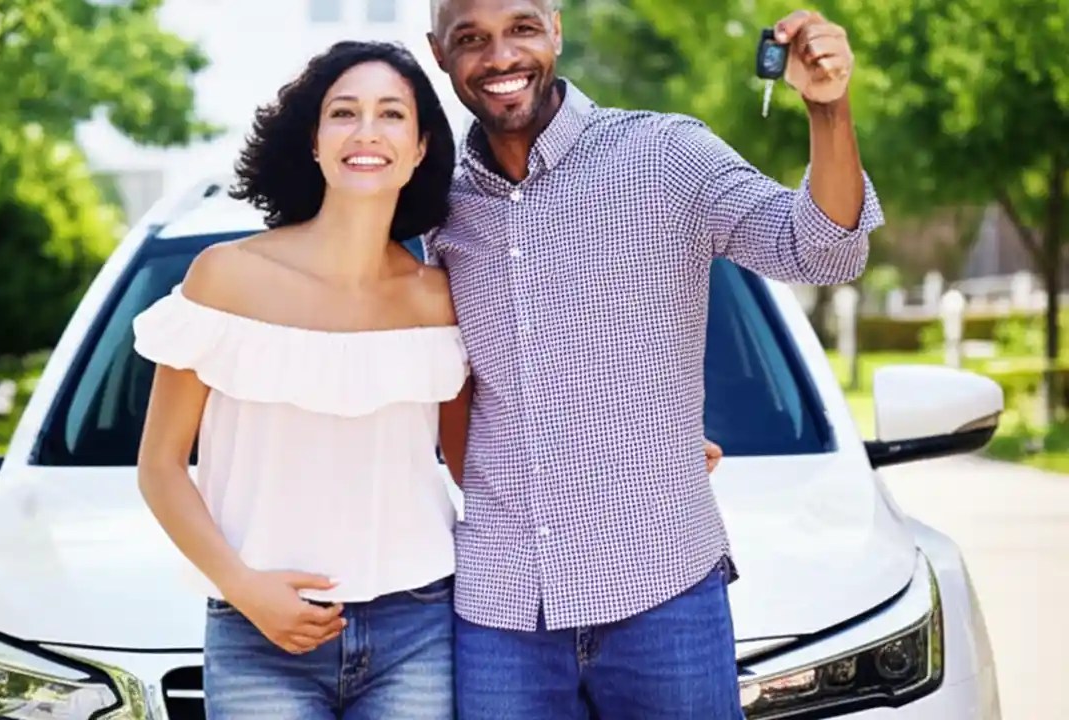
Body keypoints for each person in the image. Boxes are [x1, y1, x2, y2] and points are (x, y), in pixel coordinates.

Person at [425, 1, 884, 718]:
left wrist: (828, 110)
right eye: (471, 39)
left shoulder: (665, 156)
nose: (500, 57)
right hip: (502, 610)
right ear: (438, 53)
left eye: (521, 28)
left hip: (662, 589)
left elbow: (822, 250)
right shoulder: (431, 203)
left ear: (556, 30)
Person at [132, 41, 465, 718]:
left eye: (391, 115)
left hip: (420, 626)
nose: (366, 132)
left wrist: (639, 457)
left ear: (422, 146)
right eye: (344, 113)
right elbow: (160, 466)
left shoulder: (441, 297)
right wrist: (242, 587)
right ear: (314, 141)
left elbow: (480, 459)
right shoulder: (225, 278)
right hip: (257, 630)